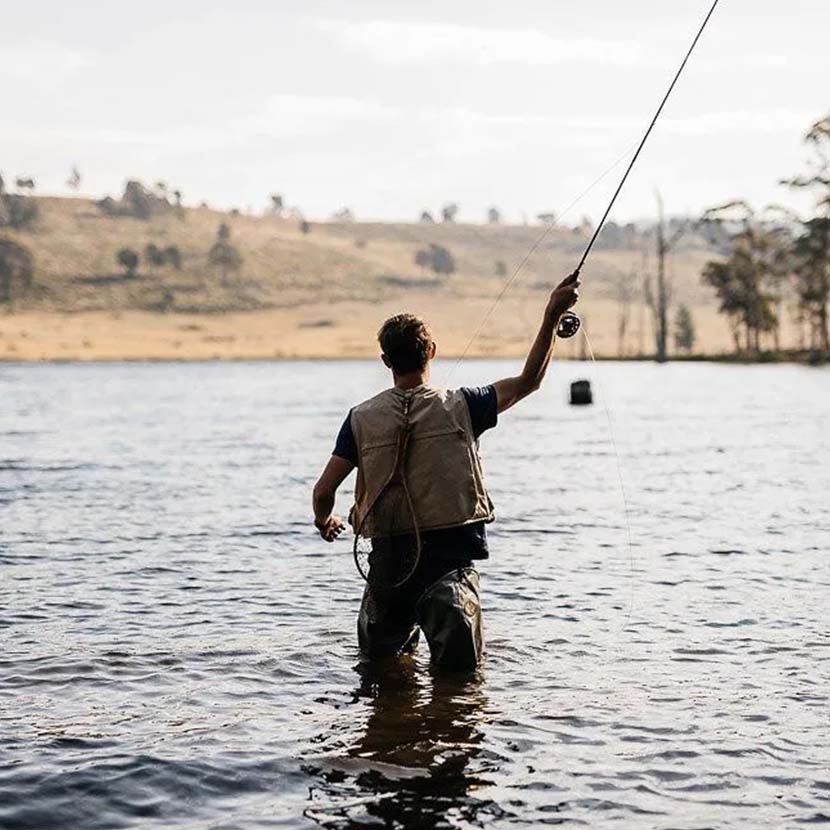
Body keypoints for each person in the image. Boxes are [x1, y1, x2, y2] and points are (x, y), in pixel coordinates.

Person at [311, 272, 580, 671]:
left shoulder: (359, 419)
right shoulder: (465, 405)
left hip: (388, 572)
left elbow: (323, 491)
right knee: (461, 689)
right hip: (449, 570)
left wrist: (324, 520)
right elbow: (528, 382)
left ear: (386, 360)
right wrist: (550, 317)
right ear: (432, 352)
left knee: (379, 679)